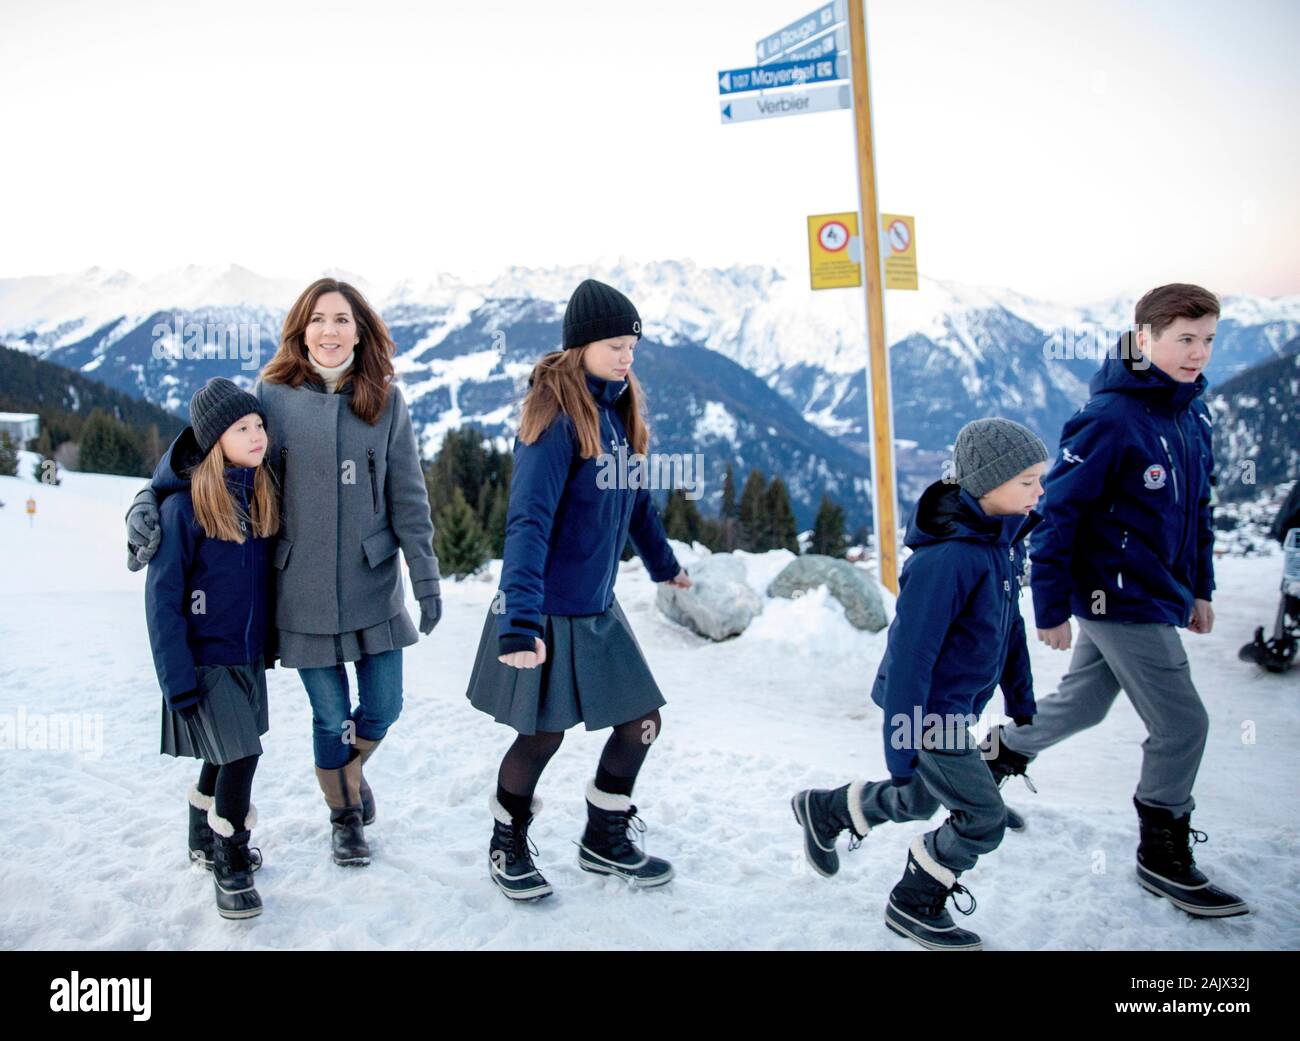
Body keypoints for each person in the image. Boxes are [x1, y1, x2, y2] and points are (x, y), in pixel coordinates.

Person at [128, 279, 442, 868]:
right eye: (318, 319)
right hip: (299, 590)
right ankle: (345, 814)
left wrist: (424, 575)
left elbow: (409, 495)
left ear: (361, 329)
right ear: (301, 330)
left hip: (375, 584)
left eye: (342, 319)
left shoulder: (385, 399)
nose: (330, 330)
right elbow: (210, 447)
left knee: (383, 707)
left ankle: (344, 774)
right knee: (330, 715)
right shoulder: (271, 395)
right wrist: (150, 496)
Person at [986, 283, 1249, 918]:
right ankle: (1161, 854)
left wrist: (1201, 587)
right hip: (1116, 598)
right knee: (1184, 725)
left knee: (1082, 705)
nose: (1197, 354)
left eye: (1207, 339)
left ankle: (983, 763)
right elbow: (1057, 514)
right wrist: (1049, 607)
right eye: (1184, 339)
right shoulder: (1110, 417)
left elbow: (1197, 511)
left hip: (1157, 591)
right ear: (1145, 339)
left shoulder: (1190, 414)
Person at [464, 278, 691, 901]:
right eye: (614, 345)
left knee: (641, 720)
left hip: (597, 607)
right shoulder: (556, 420)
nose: (626, 357)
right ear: (581, 347)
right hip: (544, 608)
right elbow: (528, 523)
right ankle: (506, 841)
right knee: (542, 733)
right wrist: (520, 622)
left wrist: (665, 566)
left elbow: (637, 507)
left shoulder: (618, 413)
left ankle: (604, 837)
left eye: (632, 347)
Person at [792, 418, 1048, 950]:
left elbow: (1009, 627)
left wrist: (1021, 699)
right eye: (1027, 481)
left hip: (951, 708)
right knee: (981, 818)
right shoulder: (948, 560)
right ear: (987, 484)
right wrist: (901, 746)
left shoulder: (1000, 545)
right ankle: (915, 901)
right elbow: (912, 658)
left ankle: (828, 810)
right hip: (927, 711)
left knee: (917, 800)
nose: (1039, 492)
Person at [145, 378, 278, 919]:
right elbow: (162, 601)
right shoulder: (184, 510)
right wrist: (175, 678)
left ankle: (202, 830)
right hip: (203, 661)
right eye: (241, 428)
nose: (256, 435)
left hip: (246, 658)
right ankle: (231, 857)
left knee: (222, 753)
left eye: (259, 425)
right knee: (242, 756)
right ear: (212, 441)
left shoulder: (260, 492)